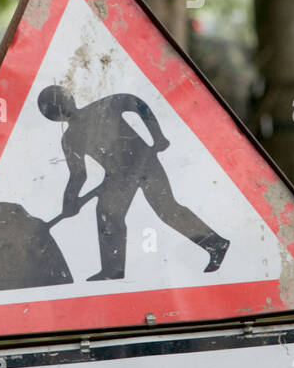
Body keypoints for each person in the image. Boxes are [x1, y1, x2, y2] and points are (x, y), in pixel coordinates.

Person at [38, 84, 230, 281]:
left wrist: (158, 136)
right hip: (118, 177)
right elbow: (78, 175)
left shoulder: (102, 108)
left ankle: (215, 244)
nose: (61, 108)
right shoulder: (70, 139)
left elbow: (137, 103)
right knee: (108, 215)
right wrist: (69, 202)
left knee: (165, 209)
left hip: (143, 162)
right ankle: (113, 271)